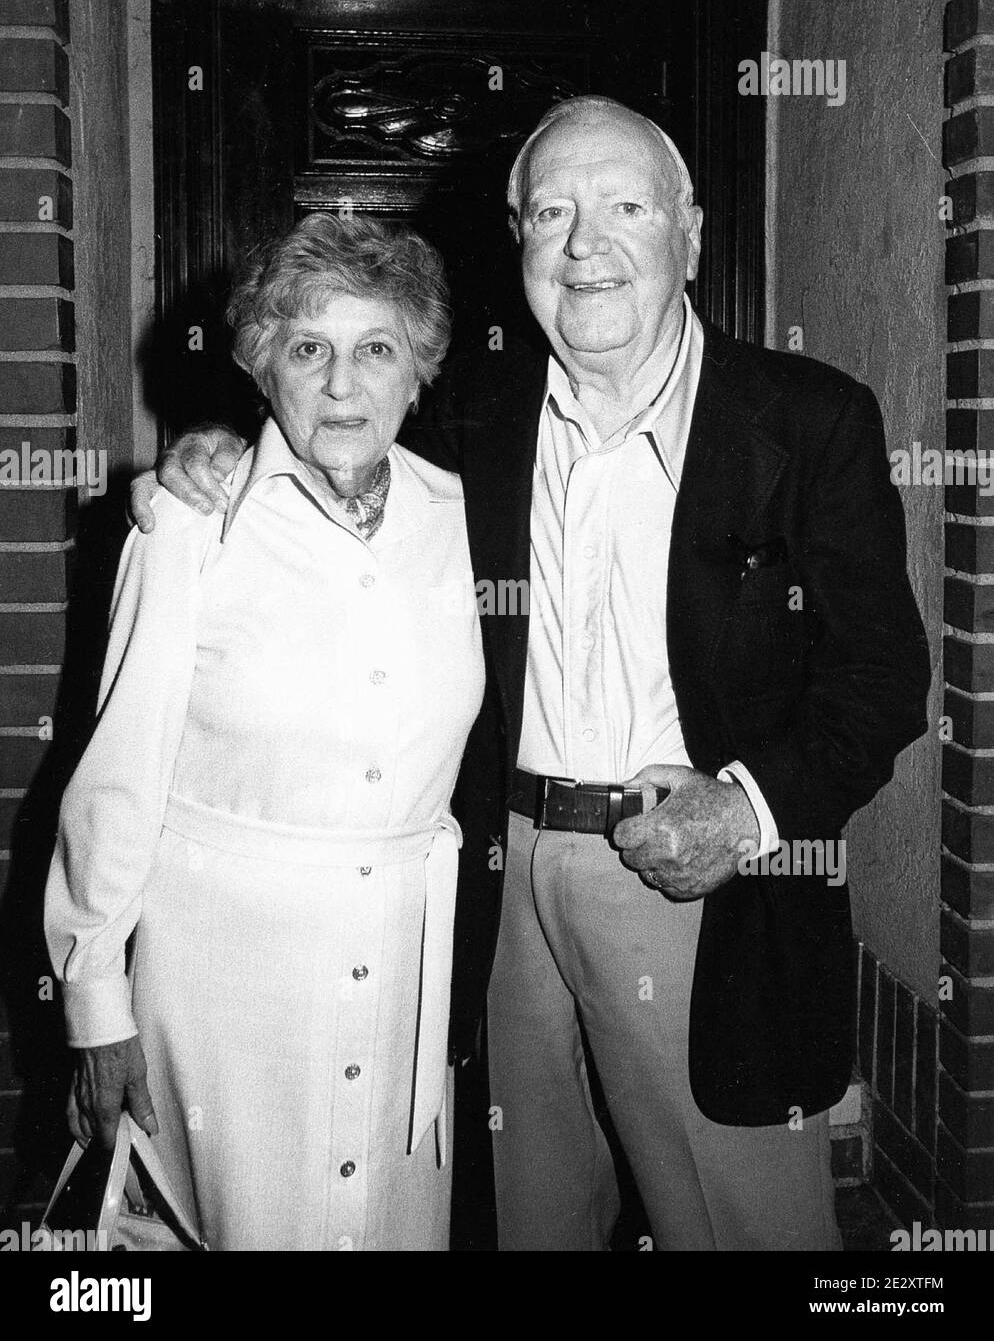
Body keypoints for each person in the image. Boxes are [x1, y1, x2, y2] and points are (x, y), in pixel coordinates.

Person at [132, 96, 932, 1251]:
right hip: (497, 887)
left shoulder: (807, 421)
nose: (583, 244)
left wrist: (746, 809)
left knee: (739, 1228)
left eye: (623, 206)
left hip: (699, 885)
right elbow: (330, 440)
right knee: (528, 1221)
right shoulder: (473, 416)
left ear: (691, 234)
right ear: (516, 242)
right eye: (550, 211)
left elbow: (881, 676)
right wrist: (206, 460)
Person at [46, 213, 485, 1251]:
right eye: (307, 348)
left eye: (375, 349)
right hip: (219, 985)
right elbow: (115, 779)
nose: (341, 384)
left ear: (418, 373)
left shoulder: (467, 518)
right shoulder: (189, 524)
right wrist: (96, 1002)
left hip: (402, 968)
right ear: (260, 369)